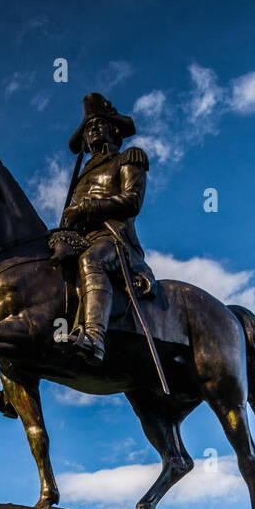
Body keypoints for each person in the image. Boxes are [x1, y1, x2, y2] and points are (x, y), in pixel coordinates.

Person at [58, 91, 154, 365]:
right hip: (80, 239)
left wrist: (89, 208)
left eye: (99, 124)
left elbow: (132, 201)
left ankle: (94, 337)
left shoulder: (128, 158)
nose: (93, 130)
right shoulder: (81, 176)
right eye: (88, 127)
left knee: (92, 260)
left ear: (114, 129)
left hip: (113, 240)